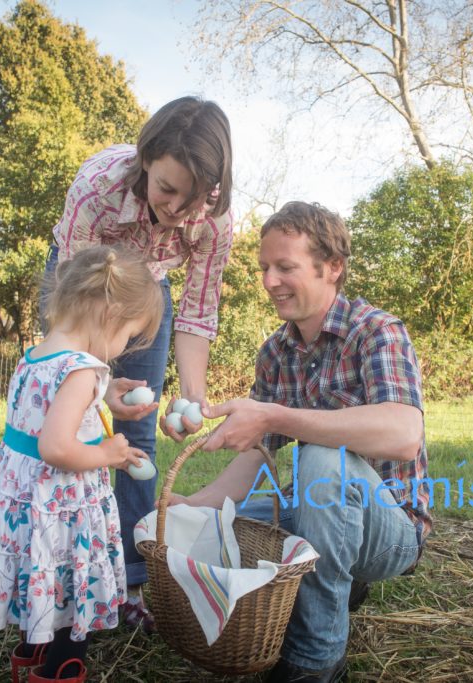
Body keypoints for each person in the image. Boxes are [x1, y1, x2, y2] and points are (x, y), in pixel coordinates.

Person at [171, 202, 431, 683]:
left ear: (332, 268)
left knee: (322, 454)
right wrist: (195, 506)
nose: (269, 280)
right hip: (321, 508)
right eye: (264, 268)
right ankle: (325, 584)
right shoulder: (275, 351)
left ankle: (316, 661)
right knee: (222, 529)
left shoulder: (376, 332)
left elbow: (403, 434)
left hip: (390, 530)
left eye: (284, 267)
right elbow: (255, 455)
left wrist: (275, 414)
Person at [41, 96, 234, 629]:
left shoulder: (214, 220)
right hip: (83, 287)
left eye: (193, 200)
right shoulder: (96, 189)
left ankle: (127, 584)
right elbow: (73, 311)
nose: (177, 210)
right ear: (147, 159)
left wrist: (192, 396)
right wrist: (96, 387)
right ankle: (62, 572)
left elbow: (198, 313)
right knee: (78, 425)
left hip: (153, 288)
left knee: (139, 437)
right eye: (167, 189)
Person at [0, 245, 164, 683]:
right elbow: (56, 447)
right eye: (128, 334)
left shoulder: (35, 356)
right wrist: (108, 454)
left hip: (28, 503)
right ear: (108, 312)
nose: (124, 346)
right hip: (60, 504)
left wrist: (111, 445)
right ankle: (60, 669)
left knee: (42, 580)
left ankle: (31, 653)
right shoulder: (80, 370)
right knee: (70, 590)